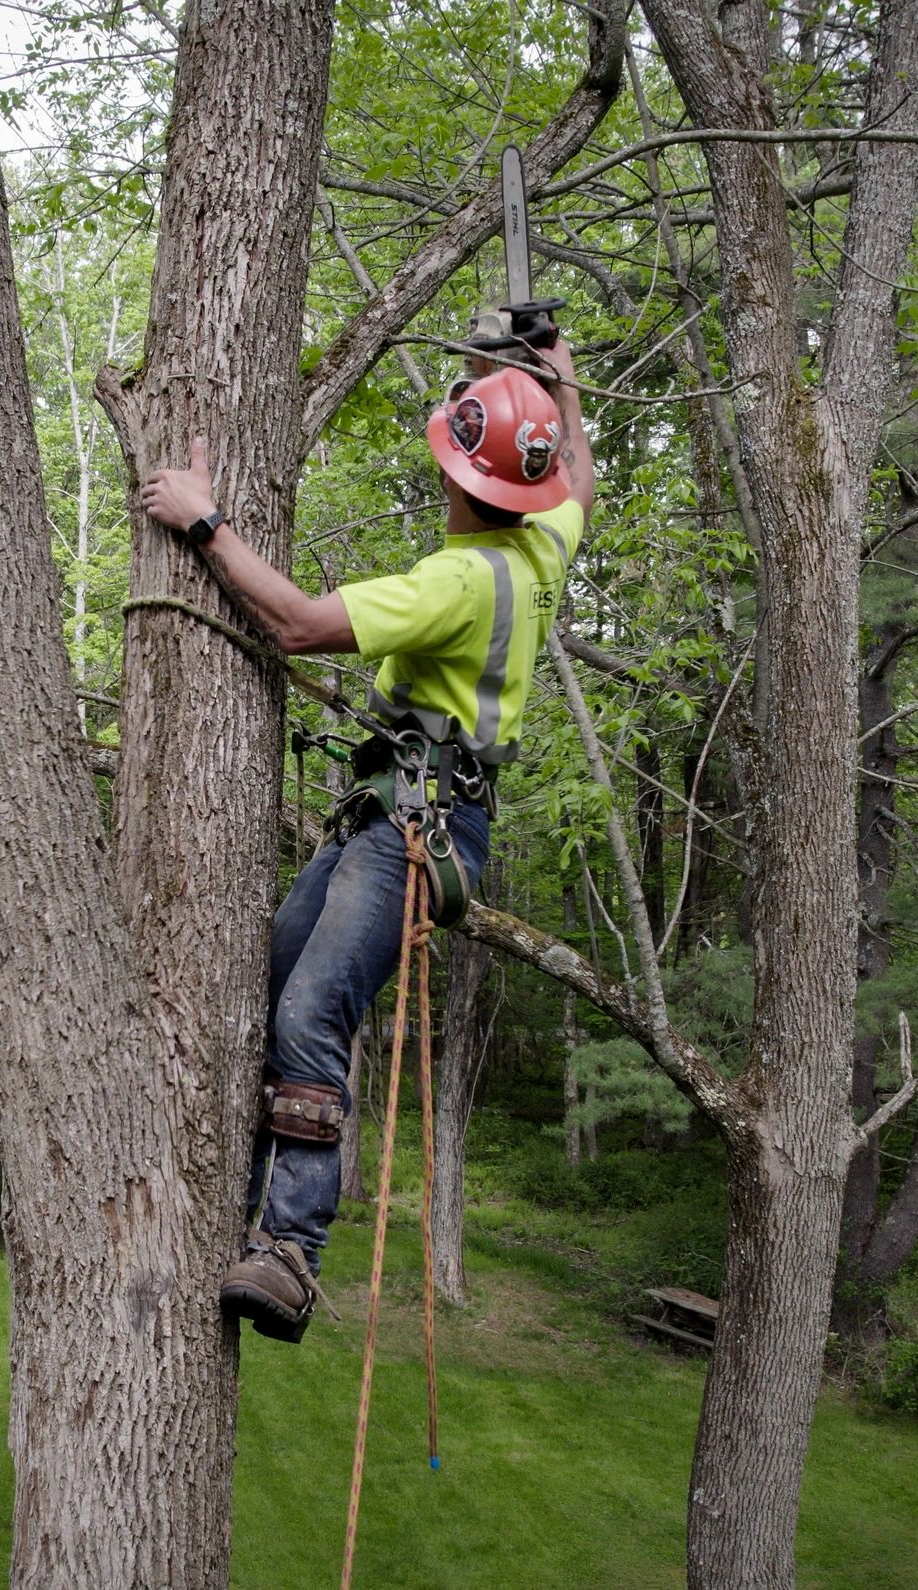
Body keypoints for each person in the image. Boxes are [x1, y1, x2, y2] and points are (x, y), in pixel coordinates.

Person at [137, 335, 595, 1342]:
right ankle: (256, 1209)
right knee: (272, 986)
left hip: (415, 831)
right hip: (399, 819)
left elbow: (296, 622)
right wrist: (557, 380)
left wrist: (202, 520)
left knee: (311, 1009)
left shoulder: (461, 581)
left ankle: (292, 1253)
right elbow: (578, 495)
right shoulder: (540, 550)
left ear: (455, 474)